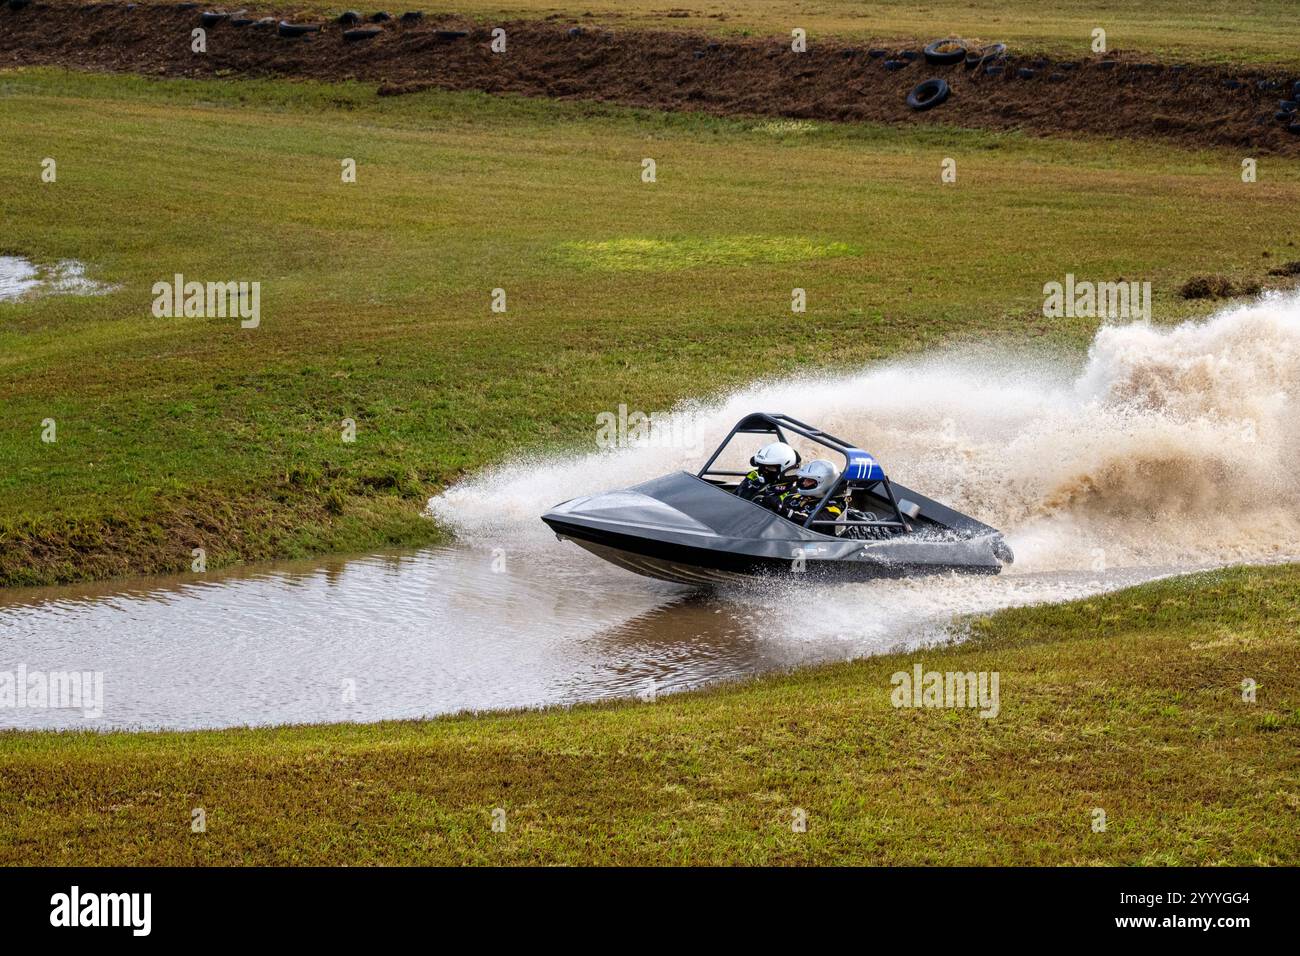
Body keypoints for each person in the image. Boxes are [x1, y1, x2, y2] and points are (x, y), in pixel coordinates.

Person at [773, 459, 850, 531]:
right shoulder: (796, 495)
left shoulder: (833, 509)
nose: (804, 483)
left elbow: (810, 523)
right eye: (805, 479)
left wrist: (782, 509)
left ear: (823, 483)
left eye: (809, 481)